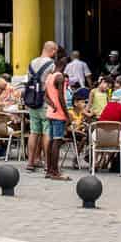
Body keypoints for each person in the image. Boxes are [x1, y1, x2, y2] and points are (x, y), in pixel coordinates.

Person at [24, 41, 60, 173]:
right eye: (55, 51)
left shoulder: (32, 63)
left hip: (32, 101)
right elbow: (52, 84)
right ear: (53, 50)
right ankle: (46, 163)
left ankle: (30, 162)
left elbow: (27, 81)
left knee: (34, 132)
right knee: (47, 132)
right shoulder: (51, 64)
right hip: (45, 102)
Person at [42, 59, 71, 180]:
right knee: (57, 142)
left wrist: (52, 104)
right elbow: (61, 97)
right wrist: (67, 115)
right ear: (64, 66)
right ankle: (55, 171)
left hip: (50, 113)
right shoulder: (60, 77)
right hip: (59, 114)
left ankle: (49, 170)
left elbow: (45, 96)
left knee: (51, 141)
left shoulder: (50, 77)